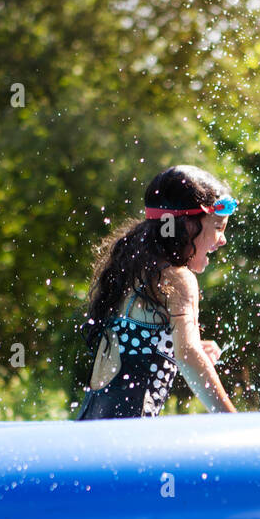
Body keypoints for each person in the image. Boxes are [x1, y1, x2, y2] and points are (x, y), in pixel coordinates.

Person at [75, 165, 238, 419]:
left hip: (90, 424)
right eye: (218, 227)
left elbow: (138, 349)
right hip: (129, 434)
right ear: (187, 226)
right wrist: (234, 421)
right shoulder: (179, 279)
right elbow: (188, 355)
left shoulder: (132, 271)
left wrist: (175, 347)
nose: (223, 239)